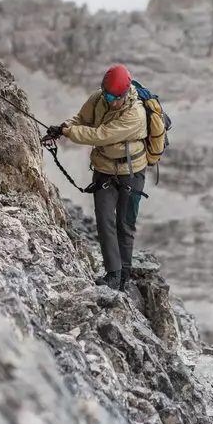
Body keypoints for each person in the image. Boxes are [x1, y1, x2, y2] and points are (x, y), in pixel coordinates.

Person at [44, 64, 148, 292]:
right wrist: (63, 128)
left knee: (124, 223)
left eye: (115, 96)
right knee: (104, 220)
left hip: (131, 173)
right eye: (107, 94)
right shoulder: (98, 99)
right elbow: (81, 119)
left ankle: (124, 276)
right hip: (104, 169)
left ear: (125, 92)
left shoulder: (136, 114)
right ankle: (113, 273)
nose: (111, 100)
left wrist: (68, 132)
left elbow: (100, 135)